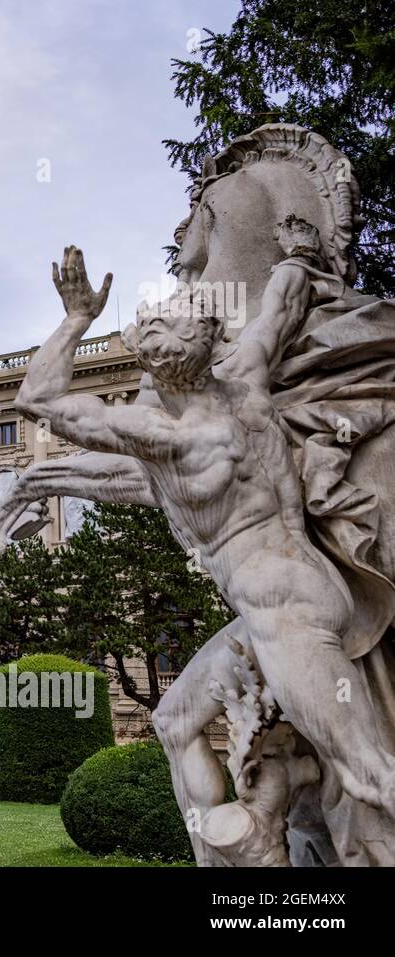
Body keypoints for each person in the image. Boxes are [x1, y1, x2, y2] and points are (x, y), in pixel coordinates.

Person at [19, 245, 395, 858]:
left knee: (369, 774)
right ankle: (229, 855)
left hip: (281, 611)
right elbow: (281, 303)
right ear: (212, 339)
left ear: (152, 367)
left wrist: (76, 317)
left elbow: (37, 401)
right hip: (304, 585)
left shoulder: (165, 435)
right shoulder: (247, 378)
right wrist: (298, 252)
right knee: (172, 721)